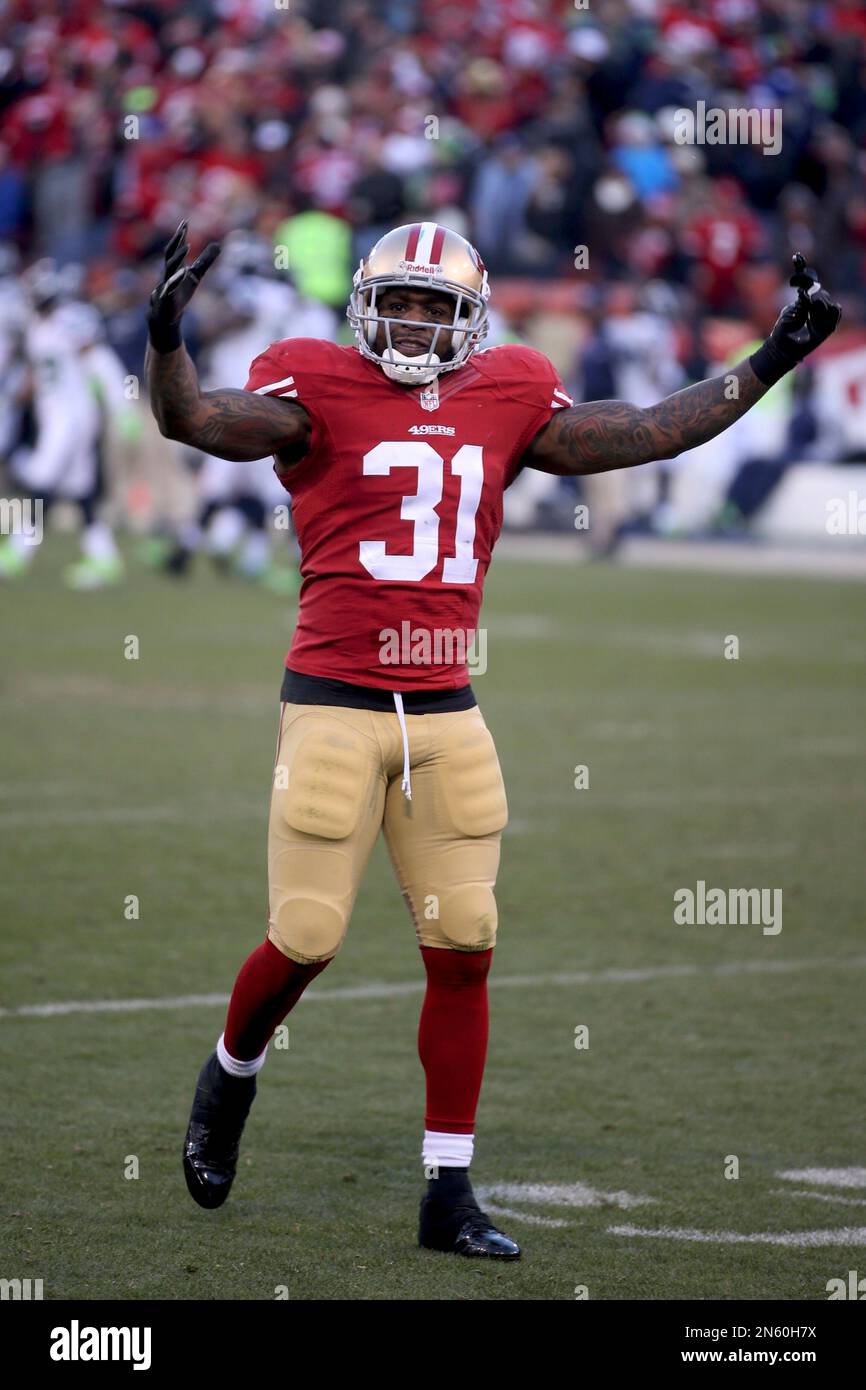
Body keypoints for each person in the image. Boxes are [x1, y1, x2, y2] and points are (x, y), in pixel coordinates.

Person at [145, 223, 840, 1259]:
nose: (416, 321)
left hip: (444, 712)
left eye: (436, 304)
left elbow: (649, 430)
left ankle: (446, 1191)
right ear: (364, 304)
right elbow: (192, 417)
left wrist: (776, 352)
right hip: (332, 701)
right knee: (304, 936)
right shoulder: (311, 383)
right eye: (402, 300)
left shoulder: (509, 391)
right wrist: (164, 337)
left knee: (464, 945)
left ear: (468, 319)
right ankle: (229, 1073)